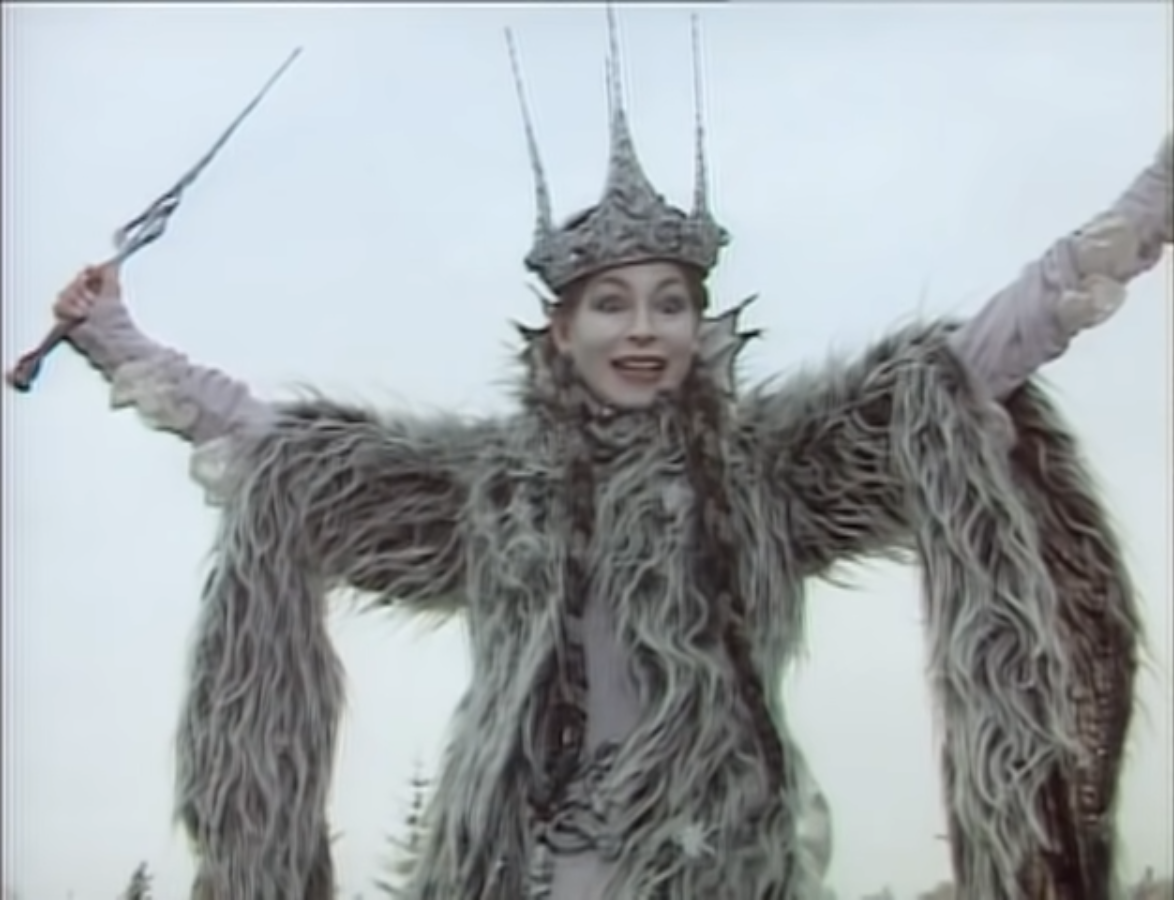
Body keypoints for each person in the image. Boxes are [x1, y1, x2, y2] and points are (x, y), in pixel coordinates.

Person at [49, 15, 1170, 900]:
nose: (643, 330)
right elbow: (278, 449)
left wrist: (1153, 200)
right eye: (613, 304)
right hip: (524, 865)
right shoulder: (490, 493)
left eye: (670, 303)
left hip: (716, 857)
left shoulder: (771, 475)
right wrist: (114, 336)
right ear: (562, 331)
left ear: (699, 326)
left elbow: (972, 361)